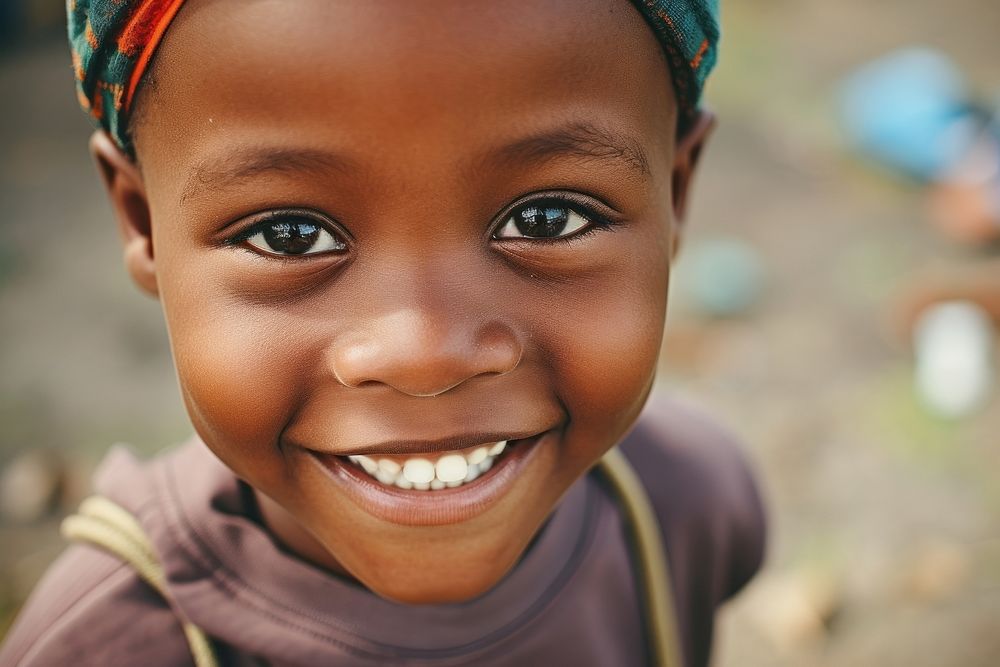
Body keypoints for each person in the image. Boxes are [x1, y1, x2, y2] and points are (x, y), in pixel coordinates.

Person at [0, 1, 765, 665]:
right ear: (142, 222)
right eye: (292, 235)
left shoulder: (686, 508)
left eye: (546, 218)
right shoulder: (94, 647)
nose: (425, 352)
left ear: (675, 190)